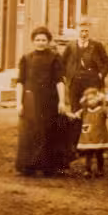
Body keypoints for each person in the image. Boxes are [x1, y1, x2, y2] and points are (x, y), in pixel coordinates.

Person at [15, 26, 71, 176]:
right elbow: (20, 81)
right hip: (30, 101)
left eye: (43, 40)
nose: (40, 43)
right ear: (33, 41)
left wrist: (61, 101)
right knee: (30, 133)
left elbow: (59, 81)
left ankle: (49, 167)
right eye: (37, 40)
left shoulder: (54, 58)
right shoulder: (26, 58)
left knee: (48, 132)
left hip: (49, 101)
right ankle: (28, 166)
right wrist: (18, 103)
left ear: (48, 41)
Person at [64, 17, 108, 111]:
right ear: (77, 30)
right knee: (75, 109)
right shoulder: (71, 46)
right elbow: (62, 62)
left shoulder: (97, 46)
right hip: (75, 84)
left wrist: (101, 74)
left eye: (86, 31)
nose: (84, 34)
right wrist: (68, 76)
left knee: (92, 109)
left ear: (90, 31)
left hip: (92, 83)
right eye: (81, 31)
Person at [73, 87, 108, 178]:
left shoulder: (102, 109)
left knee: (99, 154)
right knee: (88, 154)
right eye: (89, 99)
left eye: (94, 98)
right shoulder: (84, 111)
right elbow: (75, 115)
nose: (92, 101)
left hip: (99, 136)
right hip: (88, 136)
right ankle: (88, 170)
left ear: (98, 98)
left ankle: (100, 170)